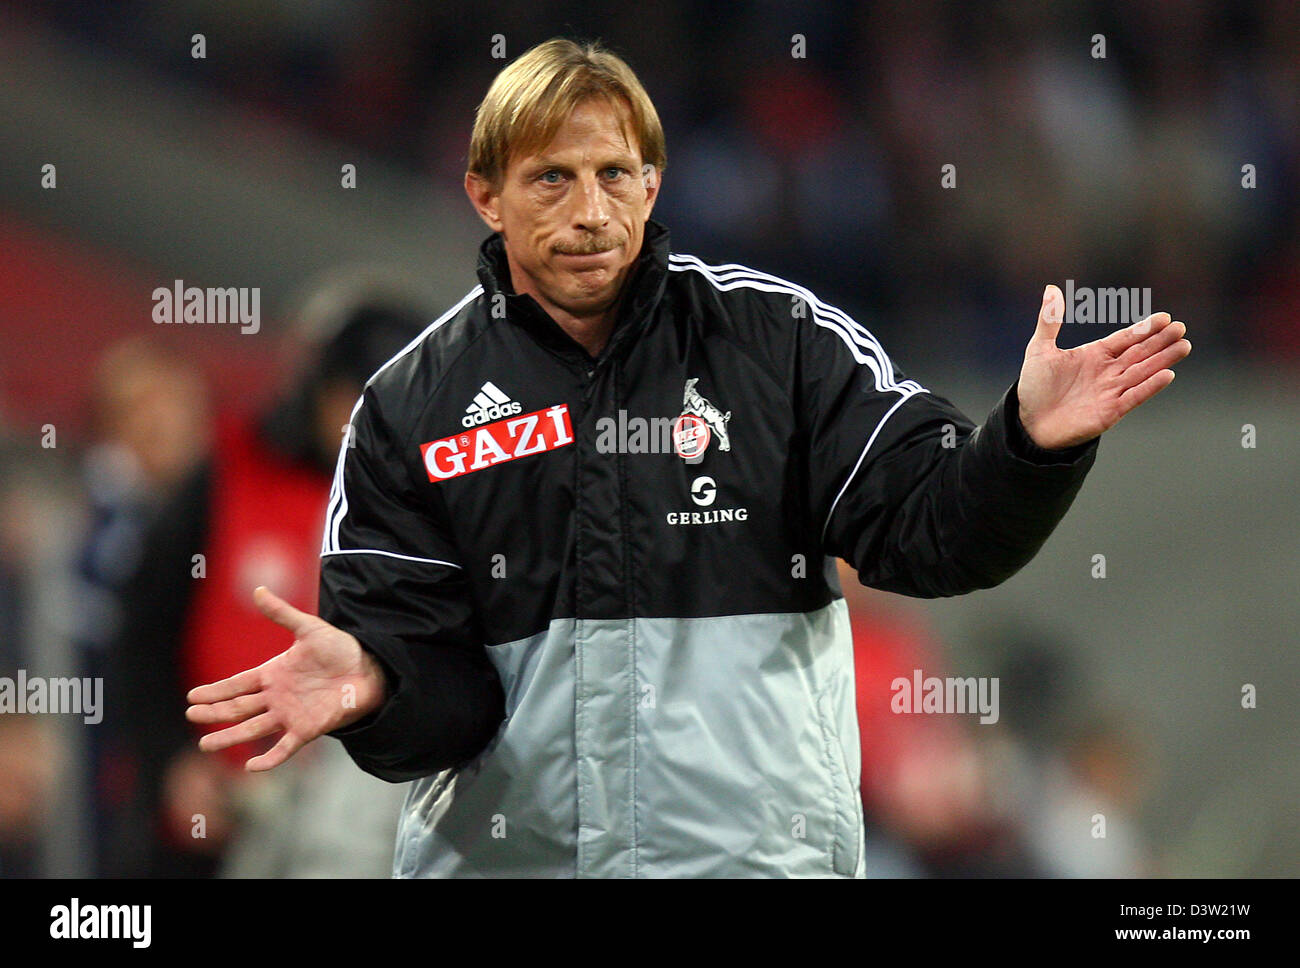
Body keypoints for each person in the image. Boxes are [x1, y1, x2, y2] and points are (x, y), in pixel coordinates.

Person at [186, 38, 1191, 878]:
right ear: (484, 195)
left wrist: (1022, 444)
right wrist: (376, 678)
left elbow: (931, 536)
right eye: (551, 177)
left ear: (653, 182)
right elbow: (441, 710)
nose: (589, 210)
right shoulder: (411, 407)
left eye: (614, 173)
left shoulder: (780, 346)